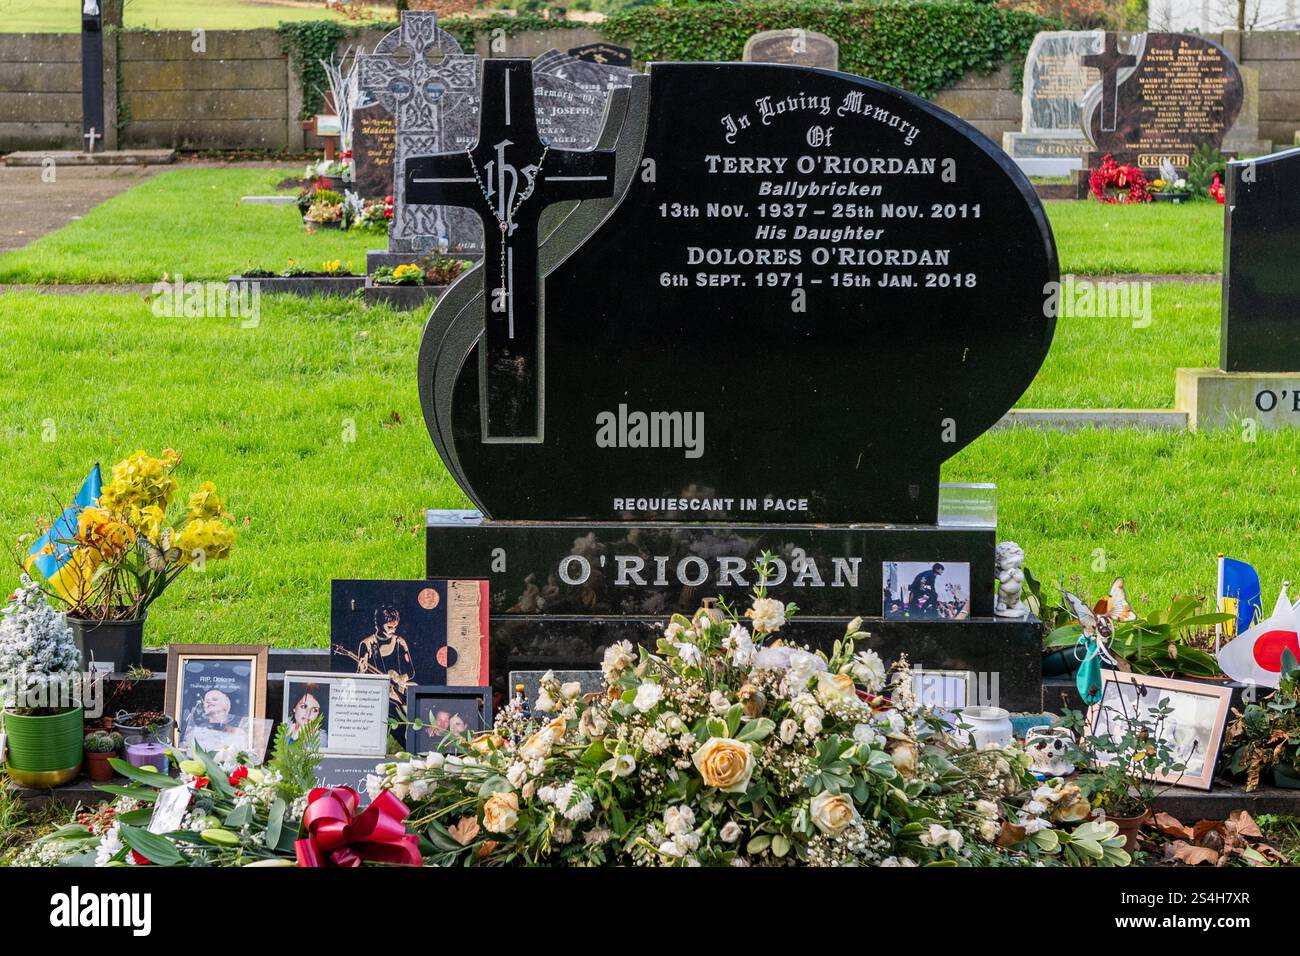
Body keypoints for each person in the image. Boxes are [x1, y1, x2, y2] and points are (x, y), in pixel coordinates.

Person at [356, 605, 416, 710]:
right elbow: (359, 678)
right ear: (378, 624)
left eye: (395, 627)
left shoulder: (400, 642)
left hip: (398, 689)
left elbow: (410, 671)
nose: (393, 630)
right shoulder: (367, 644)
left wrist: (399, 681)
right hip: (376, 694)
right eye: (389, 627)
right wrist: (361, 671)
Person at [180, 687, 249, 752]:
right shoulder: (194, 733)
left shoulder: (238, 733)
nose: (209, 702)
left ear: (226, 705)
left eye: (215, 699)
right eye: (206, 701)